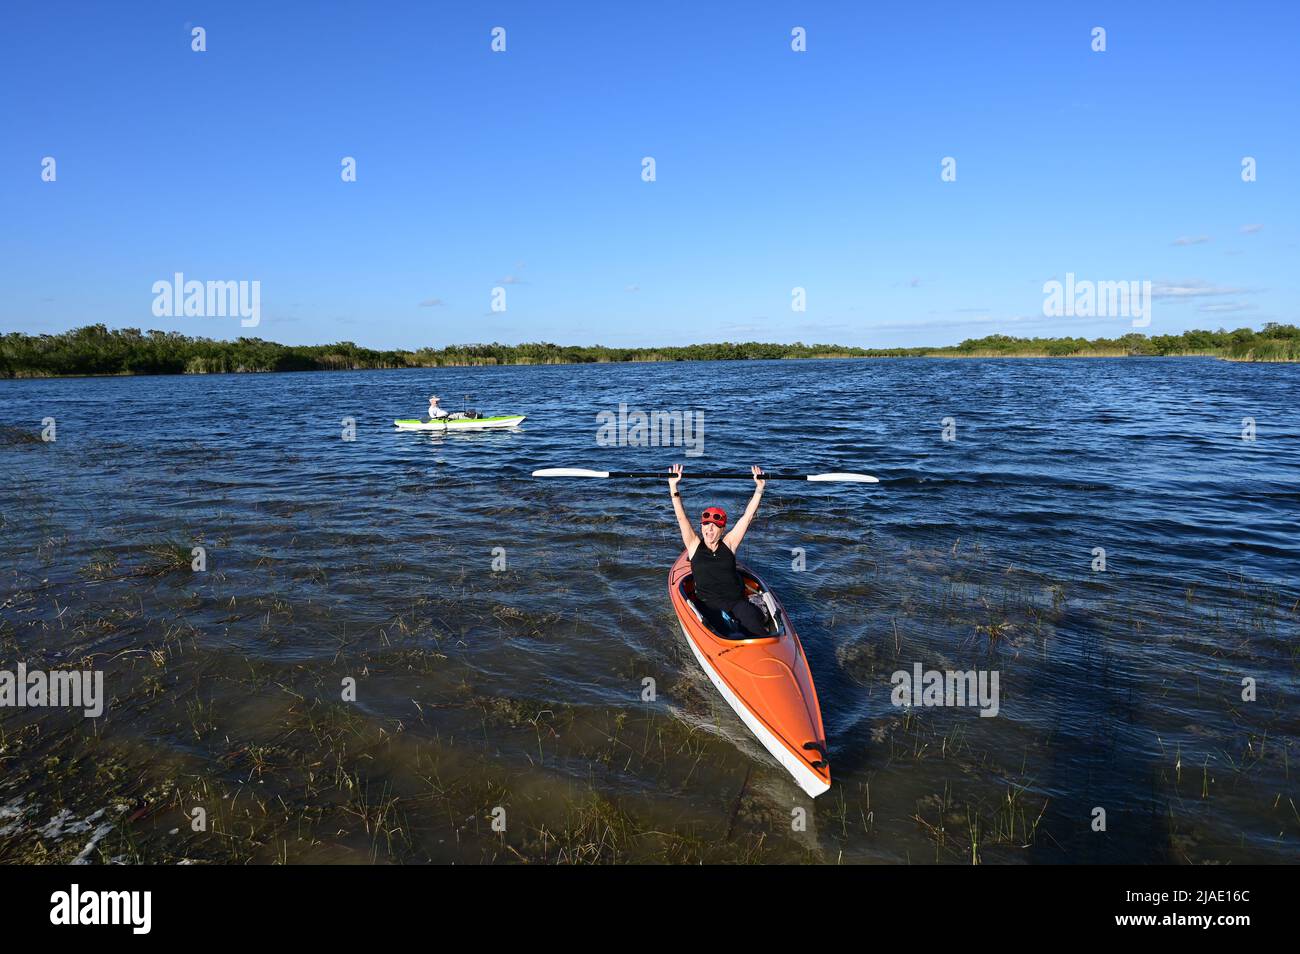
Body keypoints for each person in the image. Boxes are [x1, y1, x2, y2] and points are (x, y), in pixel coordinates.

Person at [668, 463, 769, 638]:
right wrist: (673, 487)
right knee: (728, 635)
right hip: (709, 606)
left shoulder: (729, 543)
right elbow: (681, 516)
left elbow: (747, 517)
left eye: (715, 526)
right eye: (706, 525)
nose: (709, 530)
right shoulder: (693, 545)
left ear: (723, 530)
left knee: (757, 631)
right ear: (701, 527)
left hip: (737, 603)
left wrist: (759, 489)